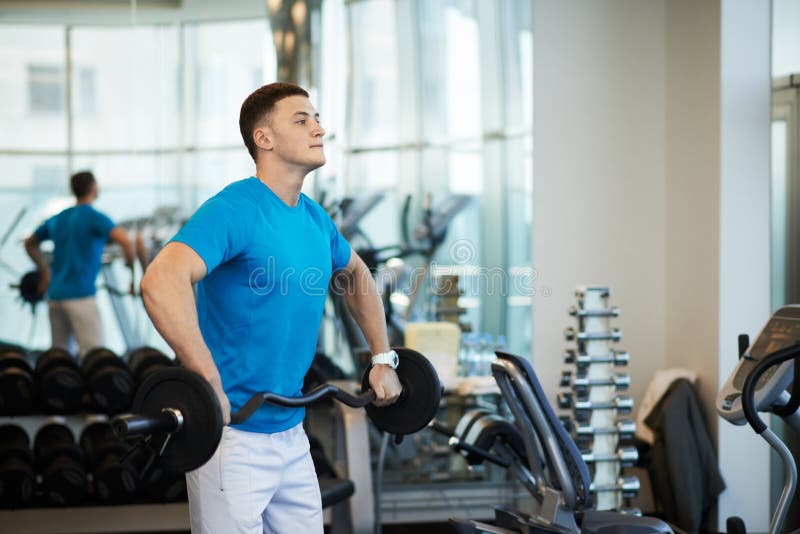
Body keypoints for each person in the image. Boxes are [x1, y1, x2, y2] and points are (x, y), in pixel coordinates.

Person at [139, 82, 402, 533]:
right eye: (302, 120)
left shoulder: (314, 217)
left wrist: (381, 357)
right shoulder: (235, 209)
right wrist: (207, 380)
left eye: (317, 118)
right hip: (233, 435)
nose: (318, 128)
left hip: (292, 432)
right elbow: (161, 281)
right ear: (264, 139)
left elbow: (357, 275)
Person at [24, 171, 135, 358]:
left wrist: (45, 273)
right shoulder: (94, 217)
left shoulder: (59, 218)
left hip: (56, 296)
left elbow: (30, 243)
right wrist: (132, 275)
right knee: (95, 359)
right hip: (81, 297)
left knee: (60, 360)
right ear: (93, 188)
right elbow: (125, 241)